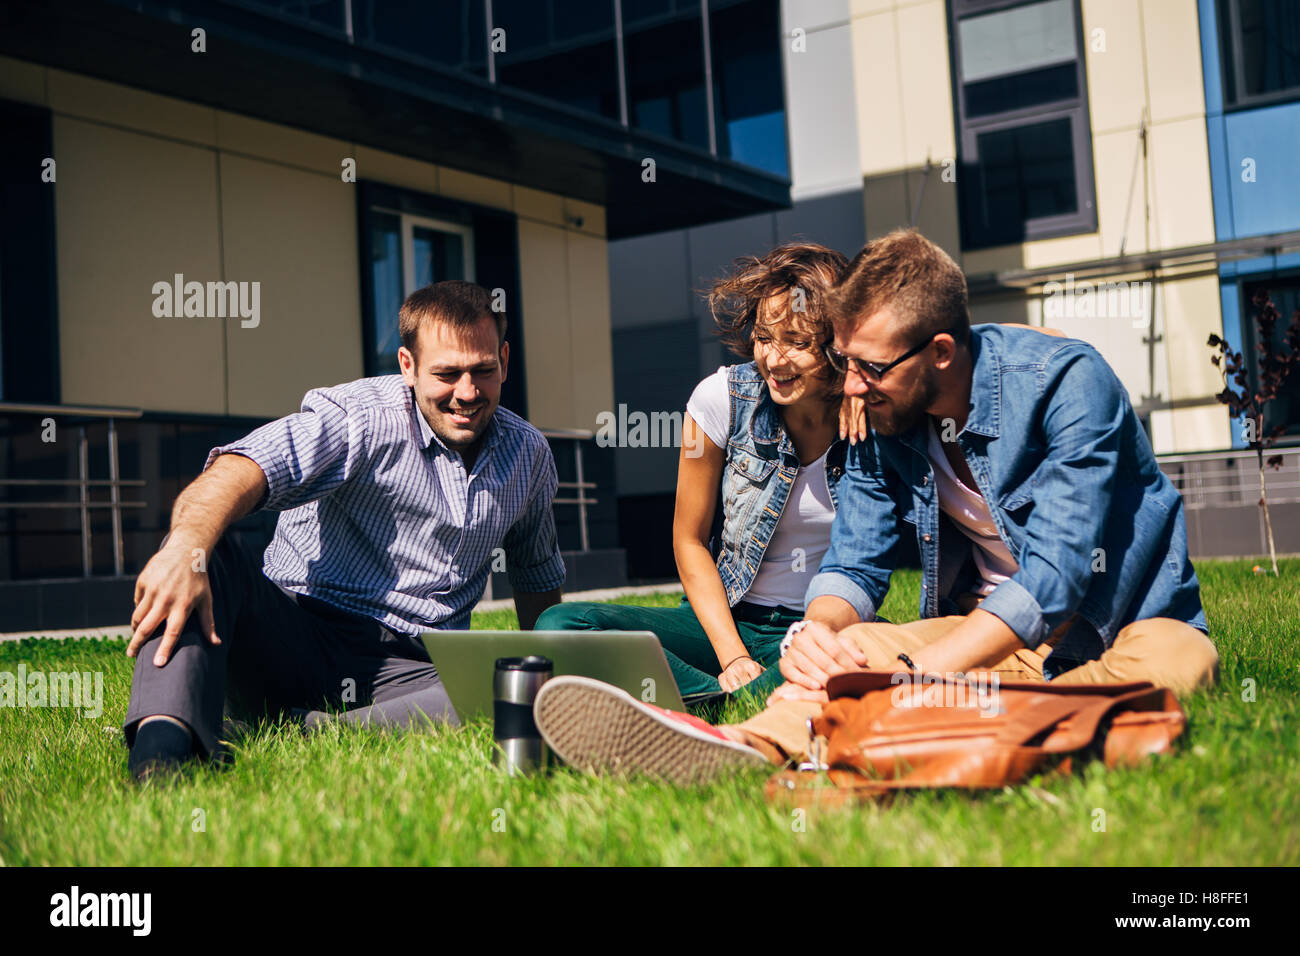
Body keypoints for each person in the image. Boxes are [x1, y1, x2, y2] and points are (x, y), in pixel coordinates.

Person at [531, 229, 1220, 782]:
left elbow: (1059, 578)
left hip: (1119, 627)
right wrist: (817, 639)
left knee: (1173, 669)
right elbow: (854, 566)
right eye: (843, 360)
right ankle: (738, 746)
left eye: (868, 368)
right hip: (971, 637)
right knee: (852, 651)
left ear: (942, 352)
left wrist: (919, 672)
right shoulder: (882, 414)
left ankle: (953, 723)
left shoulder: (1067, 386)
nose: (850, 388)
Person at [122, 280, 565, 779]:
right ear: (408, 366)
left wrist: (549, 669)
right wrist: (183, 549)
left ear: (504, 360)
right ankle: (162, 754)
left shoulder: (528, 455)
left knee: (511, 681)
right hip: (298, 635)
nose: (467, 392)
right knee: (204, 554)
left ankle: (316, 730)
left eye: (483, 371)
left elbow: (535, 575)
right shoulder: (359, 418)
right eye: (447, 374)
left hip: (415, 664)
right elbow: (238, 467)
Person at [535, 242, 865, 698]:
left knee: (869, 651)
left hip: (821, 630)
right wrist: (733, 657)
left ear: (838, 343)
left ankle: (704, 703)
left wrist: (865, 388)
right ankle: (733, 699)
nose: (773, 359)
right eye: (765, 338)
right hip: (724, 622)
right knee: (560, 624)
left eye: (797, 342)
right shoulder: (718, 398)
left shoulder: (873, 409)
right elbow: (688, 540)